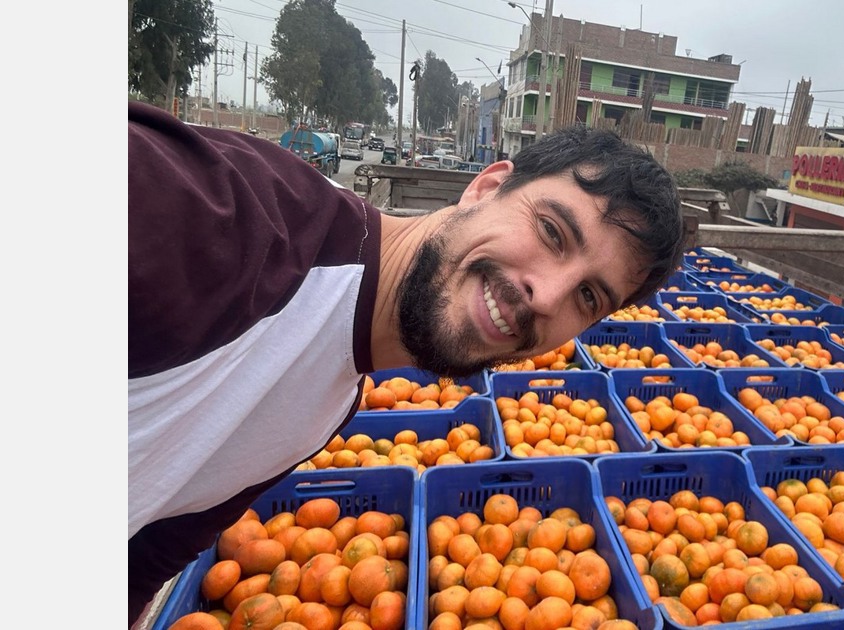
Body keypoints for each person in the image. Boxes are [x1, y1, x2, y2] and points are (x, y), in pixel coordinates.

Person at [127, 101, 684, 625]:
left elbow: (147, 554)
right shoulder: (235, 221)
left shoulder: (332, 399)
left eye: (588, 297)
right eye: (551, 231)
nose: (546, 296)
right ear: (485, 188)